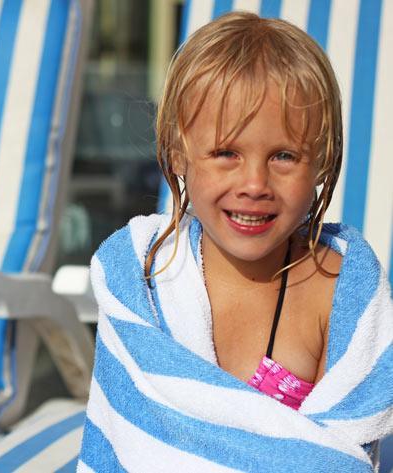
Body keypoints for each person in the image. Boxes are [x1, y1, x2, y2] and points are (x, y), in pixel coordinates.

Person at [79, 12, 391, 471]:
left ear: (321, 162)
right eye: (227, 153)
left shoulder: (336, 290)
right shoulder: (145, 279)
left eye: (284, 156)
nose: (255, 183)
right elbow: (129, 437)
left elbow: (340, 452)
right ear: (178, 152)